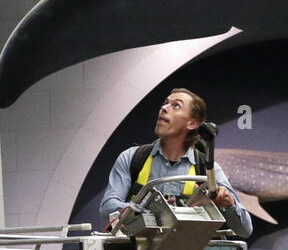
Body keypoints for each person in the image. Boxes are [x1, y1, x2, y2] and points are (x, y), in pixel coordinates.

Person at [100, 87, 252, 239]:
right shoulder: (133, 158)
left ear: (192, 123)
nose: (164, 108)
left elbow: (245, 230)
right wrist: (150, 210)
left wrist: (229, 204)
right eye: (165, 103)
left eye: (176, 105)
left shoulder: (207, 170)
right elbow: (107, 207)